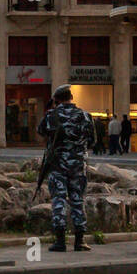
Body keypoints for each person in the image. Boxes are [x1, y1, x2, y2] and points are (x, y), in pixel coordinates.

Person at [38, 84, 95, 252]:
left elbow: (41, 131)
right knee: (78, 200)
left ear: (56, 100)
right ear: (71, 97)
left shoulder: (51, 115)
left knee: (59, 200)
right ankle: (80, 240)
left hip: (58, 165)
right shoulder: (85, 116)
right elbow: (93, 141)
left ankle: (60, 240)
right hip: (78, 165)